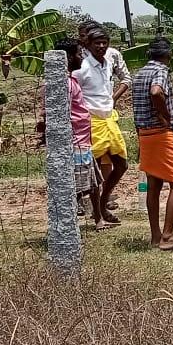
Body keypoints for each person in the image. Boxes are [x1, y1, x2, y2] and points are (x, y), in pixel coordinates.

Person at [37, 38, 114, 231]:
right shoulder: (61, 84)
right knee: (75, 187)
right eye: (79, 53)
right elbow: (53, 113)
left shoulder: (70, 80)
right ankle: (66, 225)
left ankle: (97, 219)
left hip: (83, 140)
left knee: (93, 182)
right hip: (72, 142)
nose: (82, 57)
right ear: (69, 57)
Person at [133, 37, 173, 251]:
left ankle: (156, 235)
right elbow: (156, 92)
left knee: (154, 184)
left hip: (145, 135)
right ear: (169, 55)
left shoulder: (139, 73)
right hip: (161, 134)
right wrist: (165, 116)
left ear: (149, 53)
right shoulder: (161, 71)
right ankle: (167, 236)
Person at [73, 27, 131, 222]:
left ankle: (103, 202)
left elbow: (124, 80)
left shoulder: (108, 63)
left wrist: (112, 99)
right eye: (97, 43)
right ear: (88, 45)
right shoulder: (82, 67)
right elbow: (73, 89)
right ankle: (98, 215)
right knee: (95, 171)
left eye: (104, 42)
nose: (101, 46)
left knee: (122, 165)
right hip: (93, 121)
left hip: (109, 119)